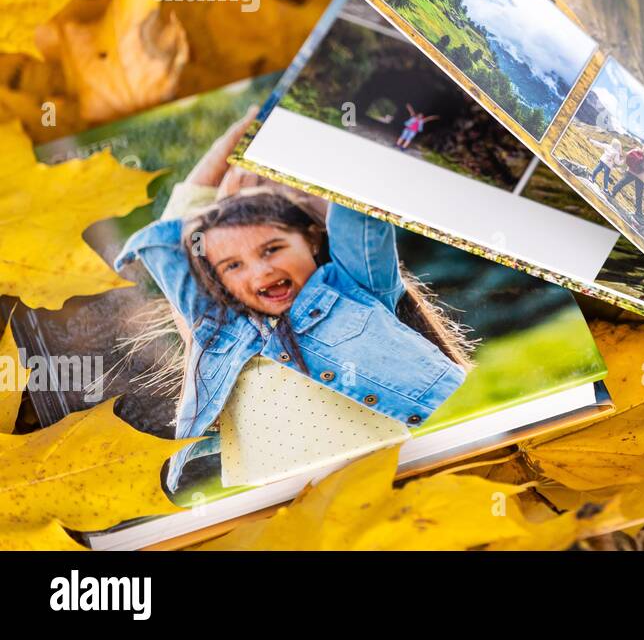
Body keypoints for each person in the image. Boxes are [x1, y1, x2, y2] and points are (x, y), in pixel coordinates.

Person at [115, 112, 472, 492]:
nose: (259, 271)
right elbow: (171, 242)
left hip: (382, 489)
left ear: (313, 239)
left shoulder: (354, 290)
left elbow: (359, 215)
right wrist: (238, 134)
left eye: (272, 248)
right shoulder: (215, 328)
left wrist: (340, 135)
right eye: (232, 264)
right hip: (278, 517)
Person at [609, 143, 644, 220]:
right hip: (640, 178)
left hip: (631, 171)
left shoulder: (636, 150)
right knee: (639, 195)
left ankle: (612, 193)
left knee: (622, 182)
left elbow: (627, 154)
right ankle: (638, 212)